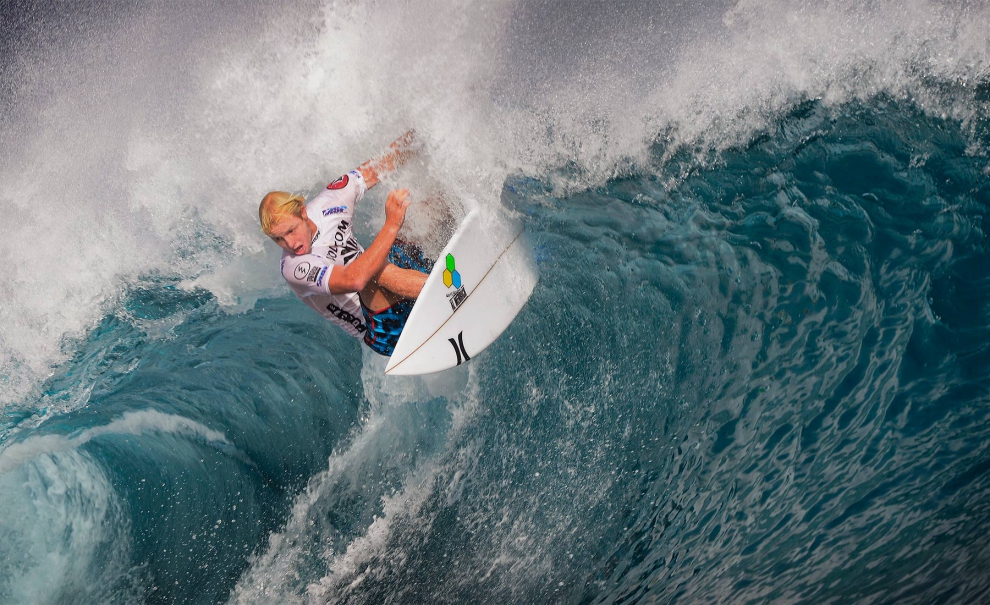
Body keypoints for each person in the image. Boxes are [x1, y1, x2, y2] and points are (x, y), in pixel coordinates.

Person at [258, 133, 433, 356]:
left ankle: (441, 280)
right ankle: (448, 290)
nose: (289, 243)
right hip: (385, 332)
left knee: (425, 211)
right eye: (278, 239)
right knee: (368, 269)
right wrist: (391, 224)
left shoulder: (330, 201)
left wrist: (424, 135)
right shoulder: (295, 268)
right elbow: (355, 279)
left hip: (399, 288)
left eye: (291, 231)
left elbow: (380, 165)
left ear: (303, 212)